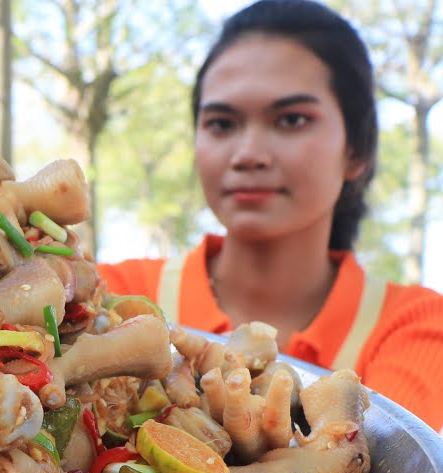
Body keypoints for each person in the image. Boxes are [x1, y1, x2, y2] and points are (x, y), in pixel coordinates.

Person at [97, 0, 443, 430]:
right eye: (222, 124)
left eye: (292, 119)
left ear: (357, 151)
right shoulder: (119, 295)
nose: (248, 154)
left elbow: (373, 467)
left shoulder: (409, 325)